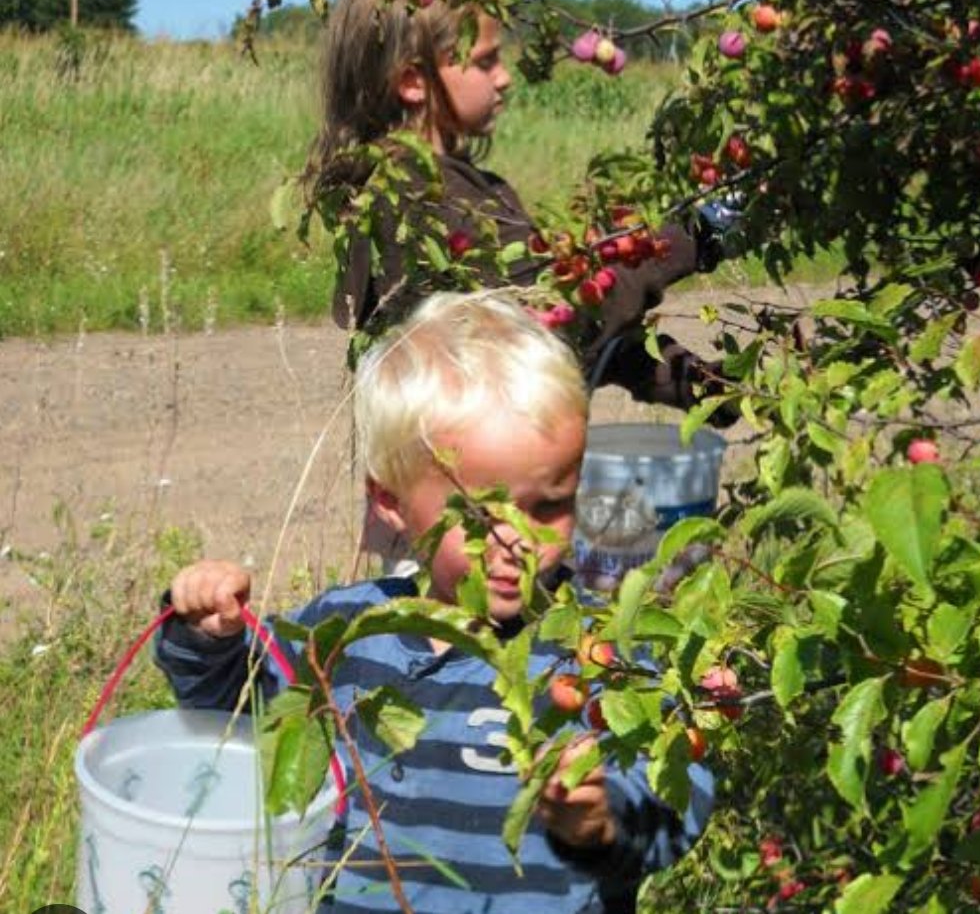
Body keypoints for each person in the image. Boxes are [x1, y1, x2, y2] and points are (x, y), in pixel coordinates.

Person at [155, 293, 714, 914]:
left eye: (549, 506)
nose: (517, 540)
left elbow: (680, 789)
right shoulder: (345, 632)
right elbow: (233, 718)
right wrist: (209, 633)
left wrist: (600, 821)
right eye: (478, 514)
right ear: (391, 501)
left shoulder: (597, 647)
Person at [307, 0, 738, 412]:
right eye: (486, 61)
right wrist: (697, 233)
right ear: (413, 82)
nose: (504, 77)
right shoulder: (426, 200)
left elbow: (568, 334)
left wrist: (705, 386)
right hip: (478, 451)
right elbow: (559, 318)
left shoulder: (408, 188)